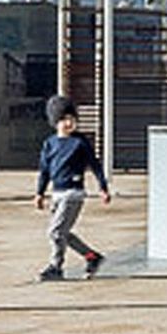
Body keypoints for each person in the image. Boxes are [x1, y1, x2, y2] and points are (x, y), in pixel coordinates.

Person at [33, 93, 111, 282]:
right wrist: (40, 193)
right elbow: (44, 170)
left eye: (72, 119)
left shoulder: (80, 142)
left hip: (73, 194)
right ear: (55, 122)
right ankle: (92, 257)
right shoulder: (50, 144)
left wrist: (103, 187)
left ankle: (56, 267)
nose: (69, 123)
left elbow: (95, 164)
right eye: (64, 120)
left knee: (55, 232)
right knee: (63, 233)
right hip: (57, 194)